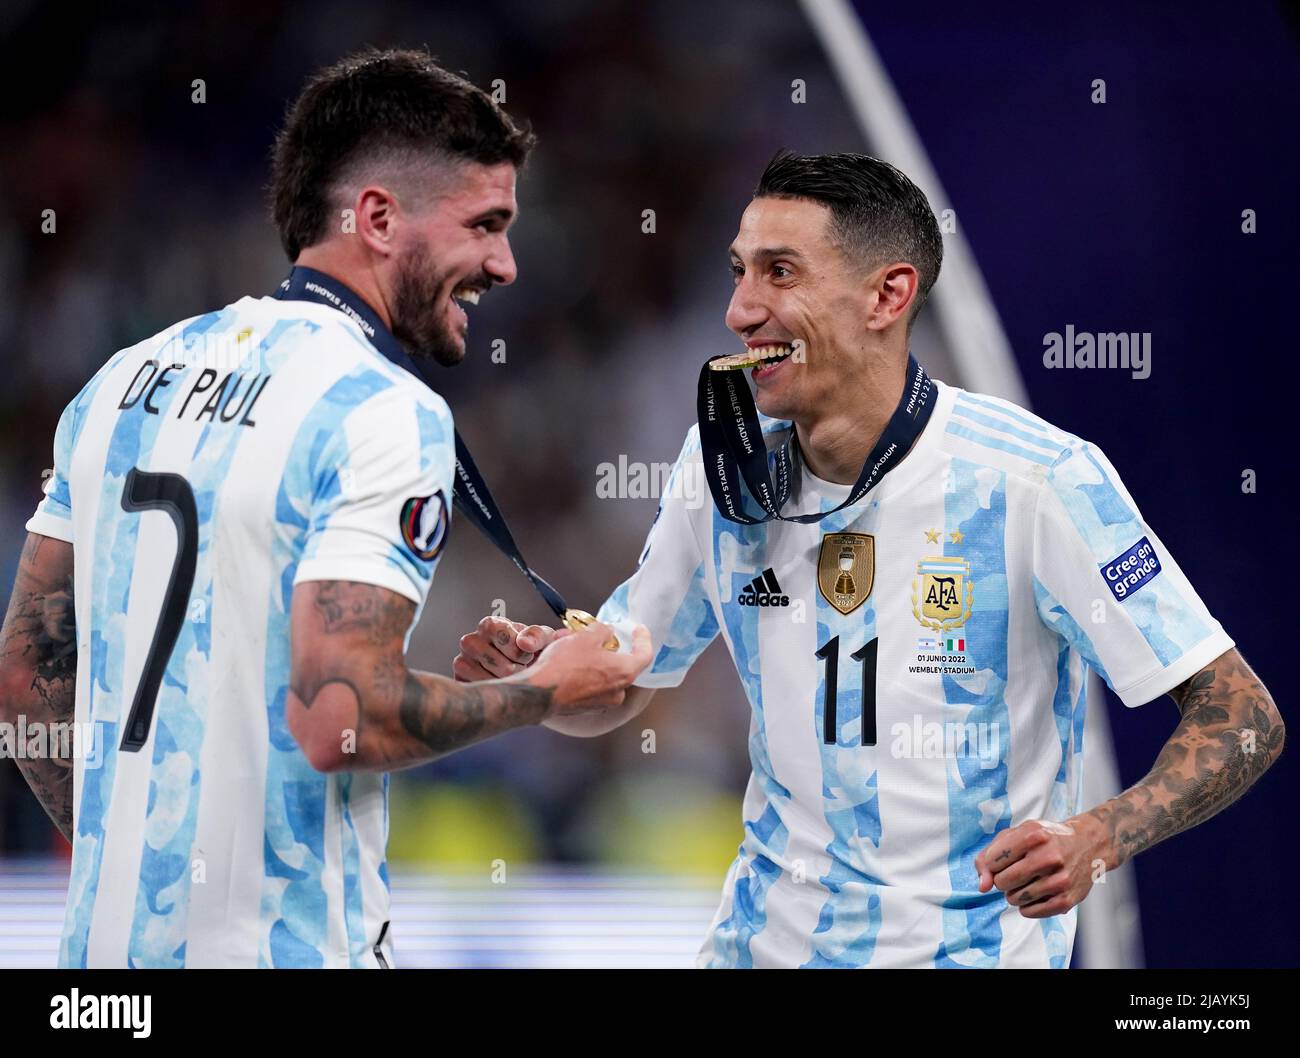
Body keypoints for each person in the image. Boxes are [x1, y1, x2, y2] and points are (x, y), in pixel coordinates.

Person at [453, 150, 1284, 968]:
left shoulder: (1037, 481)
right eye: (740, 273)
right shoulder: (720, 467)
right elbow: (623, 685)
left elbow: (1245, 715)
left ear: (887, 295)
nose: (742, 310)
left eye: (780, 274)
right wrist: (542, 683)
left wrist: (1100, 836)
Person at [0, 48, 649, 969]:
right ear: (377, 218)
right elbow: (342, 714)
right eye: (486, 224)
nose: (504, 264)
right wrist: (544, 692)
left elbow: (24, 680)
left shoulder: (120, 383)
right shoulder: (381, 410)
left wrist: (133, 856)